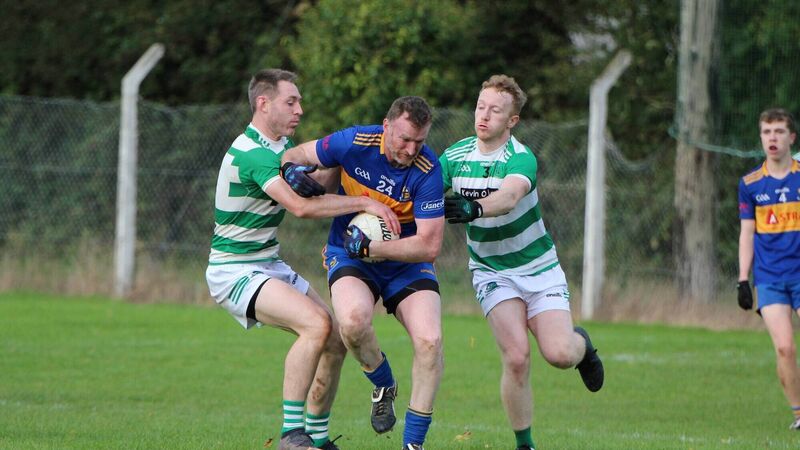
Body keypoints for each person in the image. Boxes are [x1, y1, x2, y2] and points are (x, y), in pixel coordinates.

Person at [205, 69, 400, 450]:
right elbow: (300, 207)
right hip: (234, 270)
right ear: (264, 104)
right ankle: (292, 435)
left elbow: (317, 185)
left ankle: (319, 439)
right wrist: (365, 202)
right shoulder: (254, 154)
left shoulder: (281, 150)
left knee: (336, 341)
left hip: (266, 263)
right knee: (315, 325)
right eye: (290, 101)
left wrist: (346, 160)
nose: (300, 109)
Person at [438, 74, 604, 450]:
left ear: (512, 121)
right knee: (516, 358)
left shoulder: (520, 157)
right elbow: (422, 187)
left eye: (495, 111)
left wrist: (474, 206)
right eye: (481, 107)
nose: (484, 116)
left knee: (559, 355)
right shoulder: (455, 156)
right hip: (491, 271)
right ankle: (525, 445)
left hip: (539, 268)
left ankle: (584, 347)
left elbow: (510, 195)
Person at [282, 96, 445, 450]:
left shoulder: (428, 170)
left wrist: (374, 248)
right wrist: (290, 171)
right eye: (404, 139)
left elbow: (429, 245)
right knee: (353, 324)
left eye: (419, 141)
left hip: (406, 261)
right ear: (386, 127)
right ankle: (383, 384)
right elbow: (294, 154)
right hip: (349, 256)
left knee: (430, 341)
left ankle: (413, 445)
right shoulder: (355, 142)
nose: (411, 149)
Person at [737, 107, 800, 430]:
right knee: (785, 347)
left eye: (778, 132)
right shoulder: (750, 184)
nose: (772, 138)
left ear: (791, 137)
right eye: (766, 132)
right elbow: (747, 233)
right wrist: (743, 279)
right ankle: (799, 414)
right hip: (771, 278)